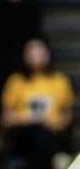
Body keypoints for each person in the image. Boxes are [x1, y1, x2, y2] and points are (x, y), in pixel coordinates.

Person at [1, 39, 74, 169]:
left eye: (40, 51)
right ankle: (56, 158)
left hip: (51, 134)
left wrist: (54, 123)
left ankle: (55, 157)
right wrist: (30, 119)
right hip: (23, 135)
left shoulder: (60, 81)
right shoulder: (16, 81)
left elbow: (67, 116)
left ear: (48, 53)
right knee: (36, 132)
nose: (36, 55)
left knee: (44, 134)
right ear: (24, 55)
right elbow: (6, 119)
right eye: (31, 51)